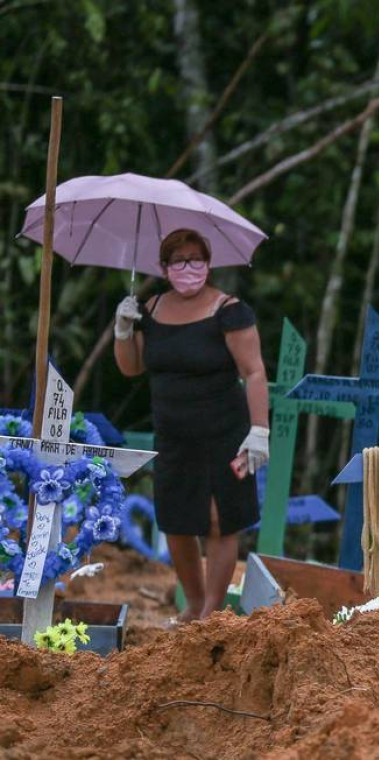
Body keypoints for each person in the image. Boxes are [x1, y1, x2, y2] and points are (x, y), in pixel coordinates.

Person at [112, 228, 270, 624]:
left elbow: (253, 371)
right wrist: (124, 330)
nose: (188, 268)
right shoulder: (150, 309)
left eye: (196, 259)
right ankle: (193, 604)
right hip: (174, 434)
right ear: (164, 267)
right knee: (177, 521)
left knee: (219, 520)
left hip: (224, 431)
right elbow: (131, 367)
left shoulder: (229, 310)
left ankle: (210, 613)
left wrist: (260, 430)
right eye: (179, 261)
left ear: (208, 264)